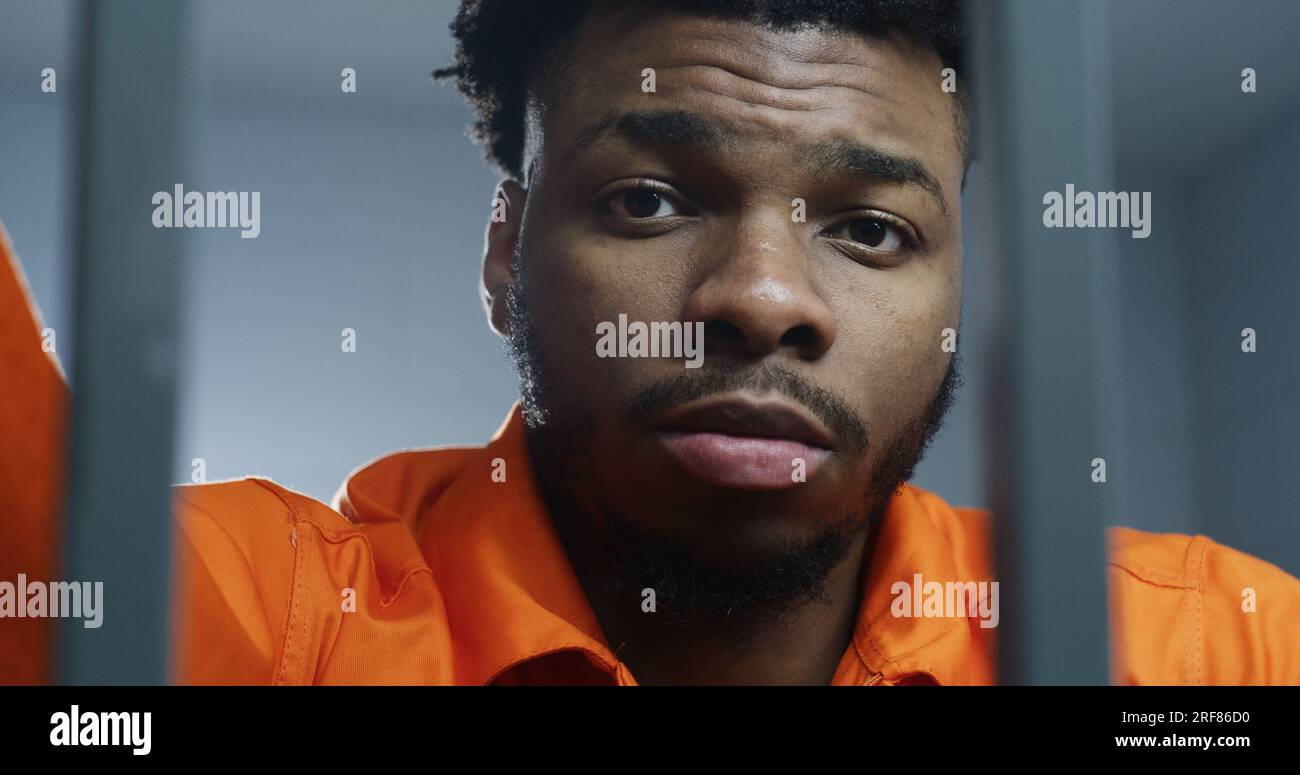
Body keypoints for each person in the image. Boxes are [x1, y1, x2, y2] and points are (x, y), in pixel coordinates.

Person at [2, 0, 1297, 685]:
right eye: (651, 200)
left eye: (870, 227)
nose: (762, 298)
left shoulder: (1205, 656)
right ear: (506, 254)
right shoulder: (284, 633)